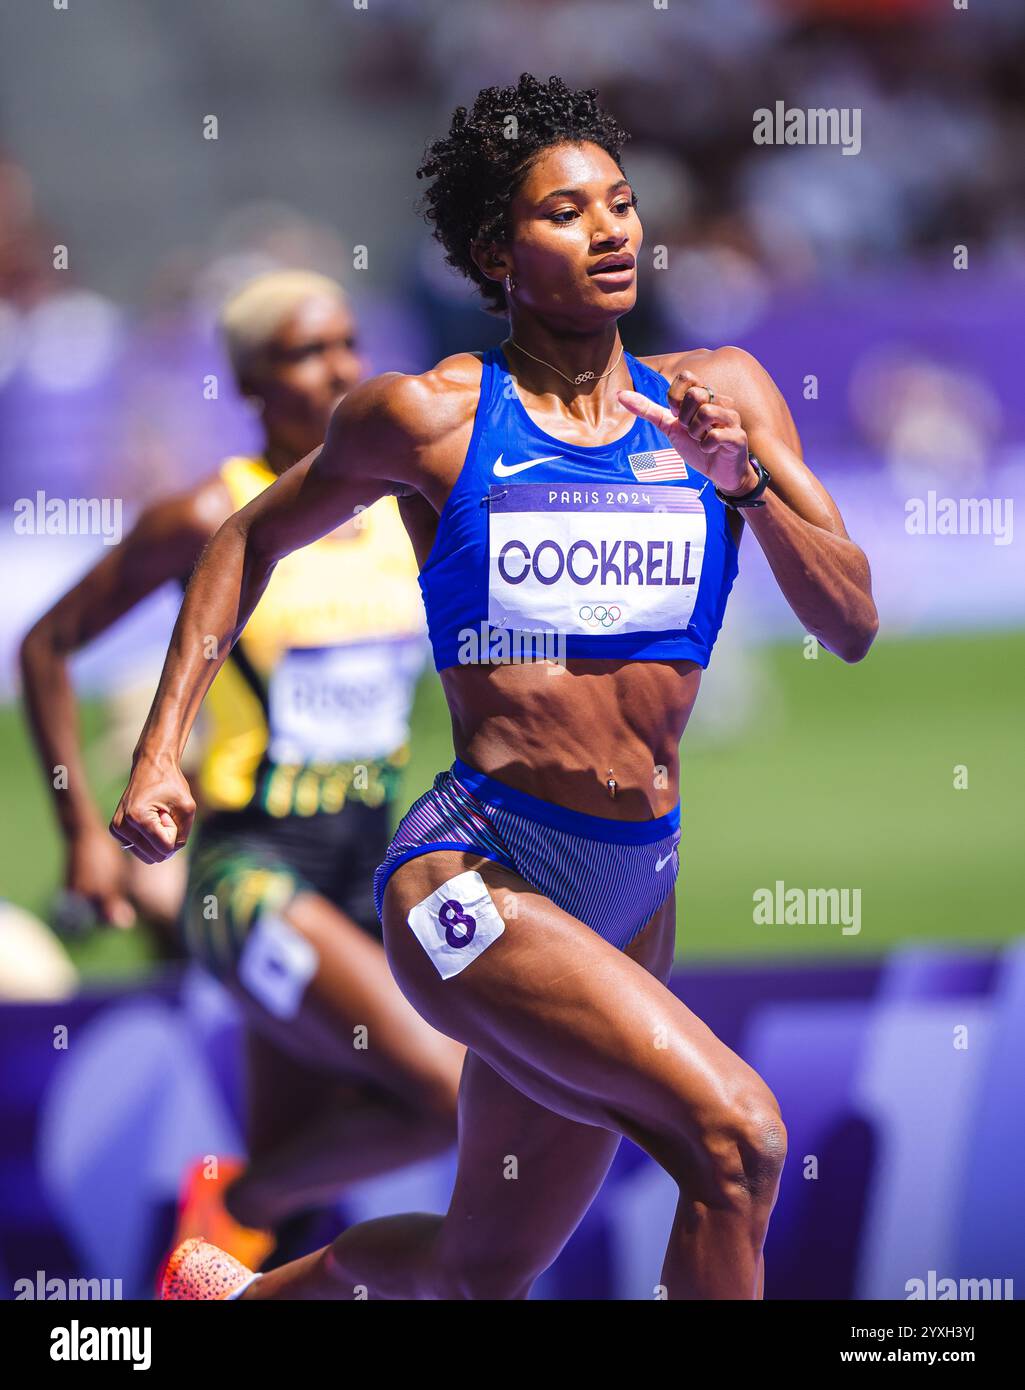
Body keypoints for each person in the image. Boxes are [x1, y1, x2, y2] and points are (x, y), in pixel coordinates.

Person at [112, 77, 878, 1301]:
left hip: (634, 884)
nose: (612, 230)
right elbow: (241, 539)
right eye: (568, 213)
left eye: (621, 206)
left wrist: (743, 486)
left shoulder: (722, 392)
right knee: (736, 1140)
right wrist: (159, 755)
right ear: (493, 254)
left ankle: (245, 1299)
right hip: (473, 876)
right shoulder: (431, 419)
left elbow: (849, 622)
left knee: (479, 1271)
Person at [21, 269, 463, 1269]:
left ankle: (221, 1245)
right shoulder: (206, 515)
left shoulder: (403, 509)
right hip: (248, 878)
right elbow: (46, 646)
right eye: (307, 352)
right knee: (449, 1094)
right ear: (251, 382)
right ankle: (235, 1196)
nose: (342, 369)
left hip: (372, 877)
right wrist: (83, 832)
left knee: (277, 1220)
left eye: (349, 341)